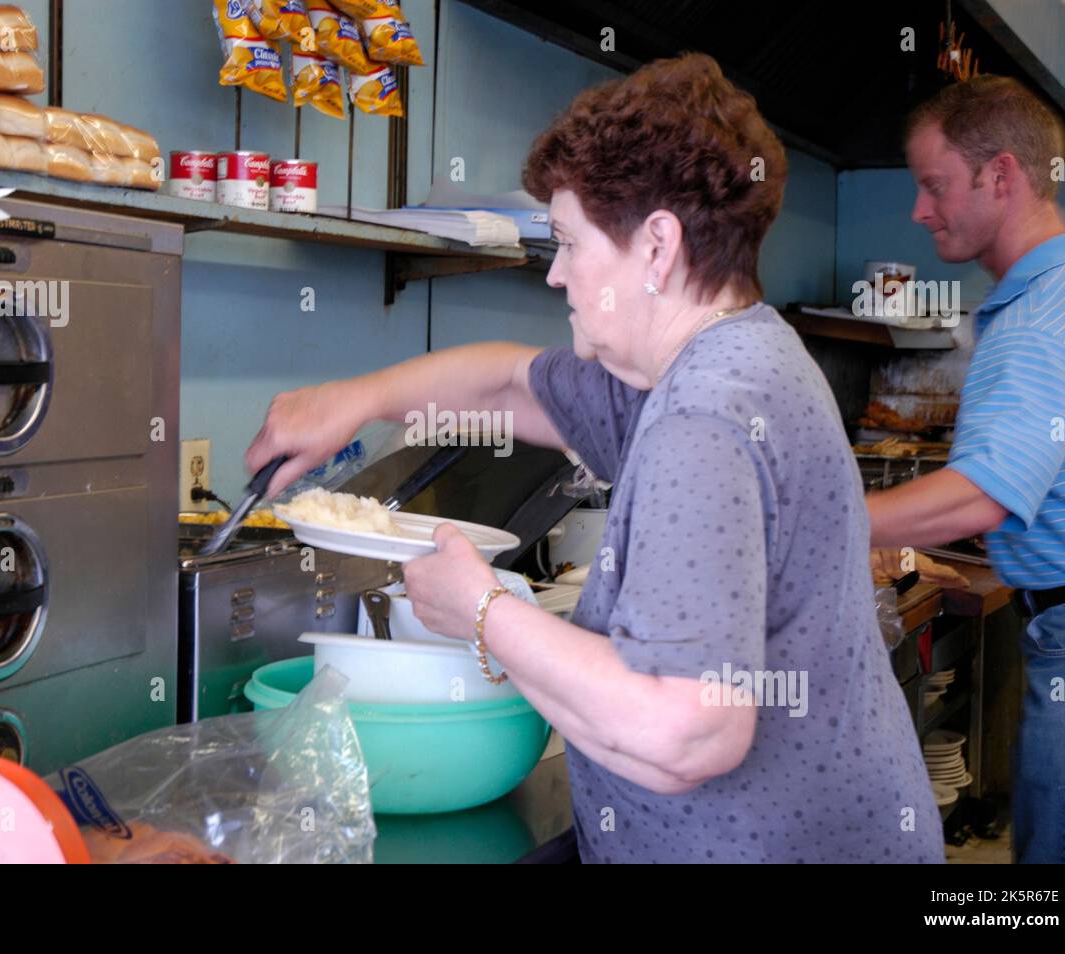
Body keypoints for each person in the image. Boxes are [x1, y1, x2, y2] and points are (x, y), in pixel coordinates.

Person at [249, 53, 941, 862]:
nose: (555, 273)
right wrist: (356, 400)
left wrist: (481, 611)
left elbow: (689, 729)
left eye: (570, 243)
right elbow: (512, 384)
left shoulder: (705, 414)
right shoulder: (721, 360)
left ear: (656, 248)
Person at [867, 76, 1065, 863]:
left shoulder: (1041, 321)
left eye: (934, 185)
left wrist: (814, 511)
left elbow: (981, 498)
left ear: (1000, 176)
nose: (919, 209)